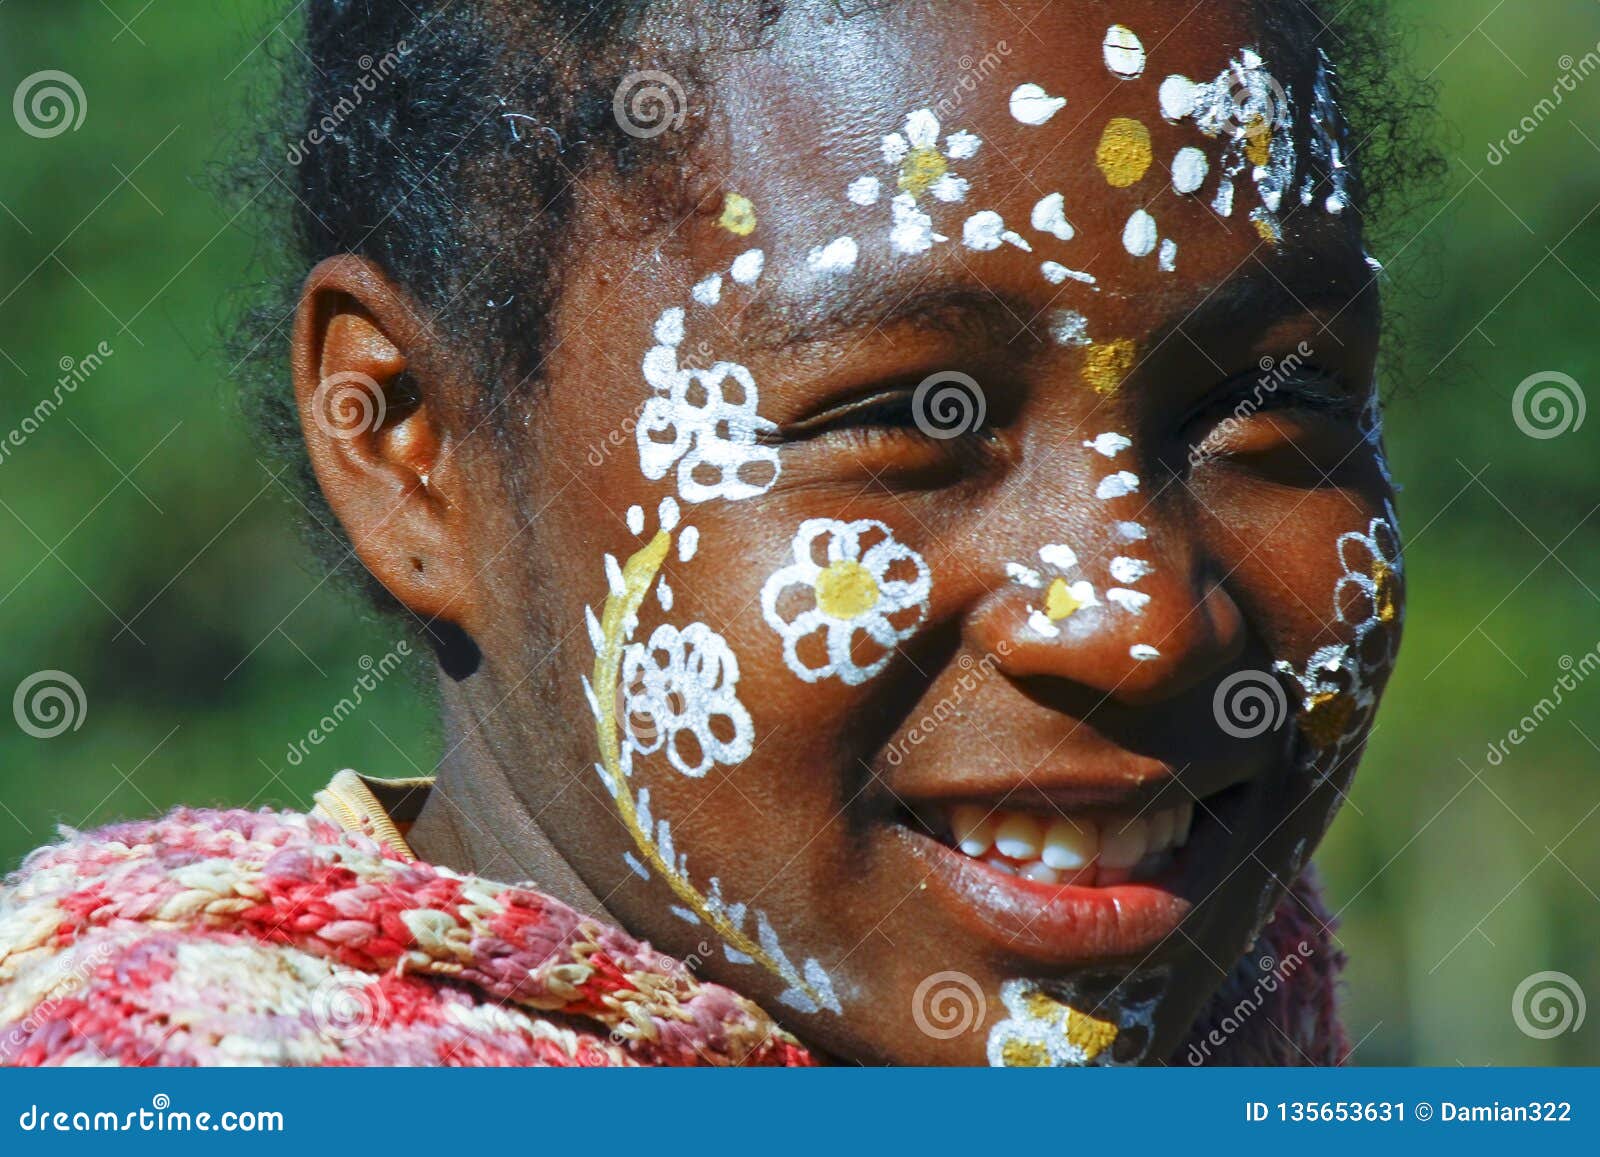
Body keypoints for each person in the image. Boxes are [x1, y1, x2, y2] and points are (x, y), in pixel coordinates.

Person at [0, 0, 1415, 1066]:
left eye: (1256, 407)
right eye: (909, 418)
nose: (1139, 616)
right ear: (410, 445)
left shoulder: (1265, 1038)